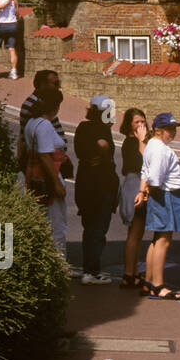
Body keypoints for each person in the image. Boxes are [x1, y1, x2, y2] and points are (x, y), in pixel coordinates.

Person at [136, 112, 180, 300]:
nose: (173, 132)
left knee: (157, 237)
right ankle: (158, 285)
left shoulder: (152, 145)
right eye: (169, 129)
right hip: (168, 195)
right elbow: (156, 177)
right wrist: (149, 190)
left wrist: (144, 190)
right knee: (164, 240)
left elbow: (145, 170)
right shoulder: (159, 148)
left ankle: (149, 282)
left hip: (164, 194)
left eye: (175, 128)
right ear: (158, 131)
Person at [23, 86, 75, 277]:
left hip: (33, 176)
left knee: (41, 222)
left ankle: (41, 266)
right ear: (54, 106)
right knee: (57, 225)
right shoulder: (45, 125)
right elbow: (45, 156)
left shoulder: (31, 123)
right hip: (48, 177)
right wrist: (57, 183)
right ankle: (58, 267)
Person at [73, 96, 119, 284]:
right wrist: (103, 154)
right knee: (98, 229)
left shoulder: (82, 127)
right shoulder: (102, 129)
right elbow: (103, 145)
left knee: (89, 227)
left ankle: (88, 270)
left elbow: (80, 152)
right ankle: (92, 272)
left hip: (84, 183)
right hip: (101, 185)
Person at [117, 107, 150, 289]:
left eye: (143, 121)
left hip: (135, 184)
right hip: (135, 185)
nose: (141, 125)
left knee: (136, 233)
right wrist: (142, 140)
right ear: (129, 126)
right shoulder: (131, 142)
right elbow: (144, 161)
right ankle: (129, 274)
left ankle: (133, 272)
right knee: (135, 233)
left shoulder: (138, 141)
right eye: (137, 122)